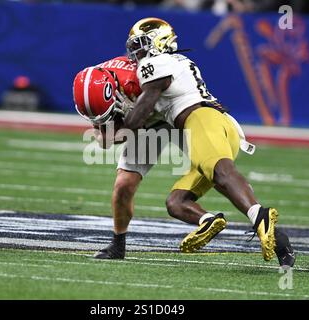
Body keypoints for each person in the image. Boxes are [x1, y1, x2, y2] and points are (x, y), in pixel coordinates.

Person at [119, 17, 294, 264]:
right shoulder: (174, 62)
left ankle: (260, 216)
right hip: (217, 126)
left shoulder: (155, 63)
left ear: (160, 41)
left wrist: (123, 120)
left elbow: (142, 112)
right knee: (176, 202)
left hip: (202, 121)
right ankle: (222, 224)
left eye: (142, 44)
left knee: (222, 174)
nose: (137, 51)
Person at [73, 54, 182, 259]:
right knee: (124, 184)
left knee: (212, 169)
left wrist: (136, 116)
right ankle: (118, 245)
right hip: (148, 125)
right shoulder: (95, 87)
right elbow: (104, 140)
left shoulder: (137, 79)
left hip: (173, 110)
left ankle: (254, 214)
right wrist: (129, 122)